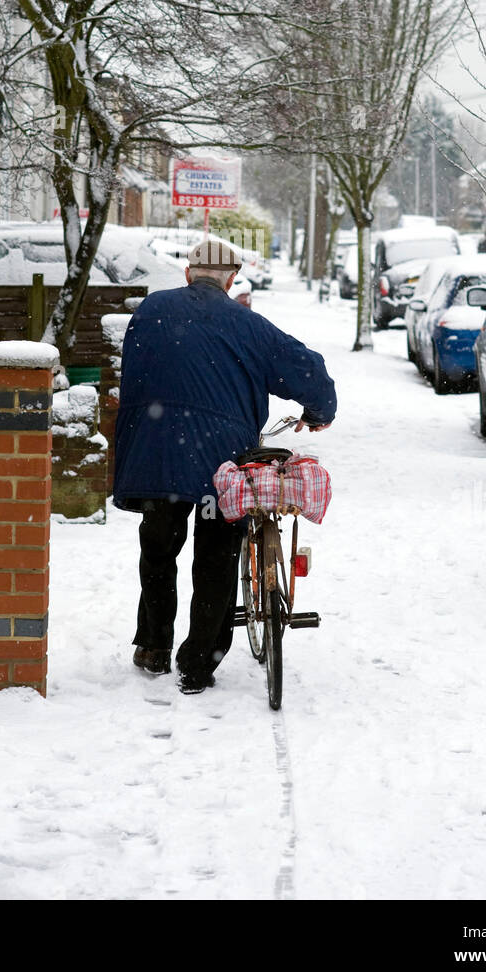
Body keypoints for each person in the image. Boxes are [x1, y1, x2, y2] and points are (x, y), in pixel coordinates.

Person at [113, 235, 336, 694]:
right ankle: (198, 664)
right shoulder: (248, 325)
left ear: (188, 274)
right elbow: (308, 371)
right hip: (224, 462)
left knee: (158, 549)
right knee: (216, 557)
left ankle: (154, 646)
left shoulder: (150, 312)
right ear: (232, 279)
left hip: (157, 454)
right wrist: (319, 412)